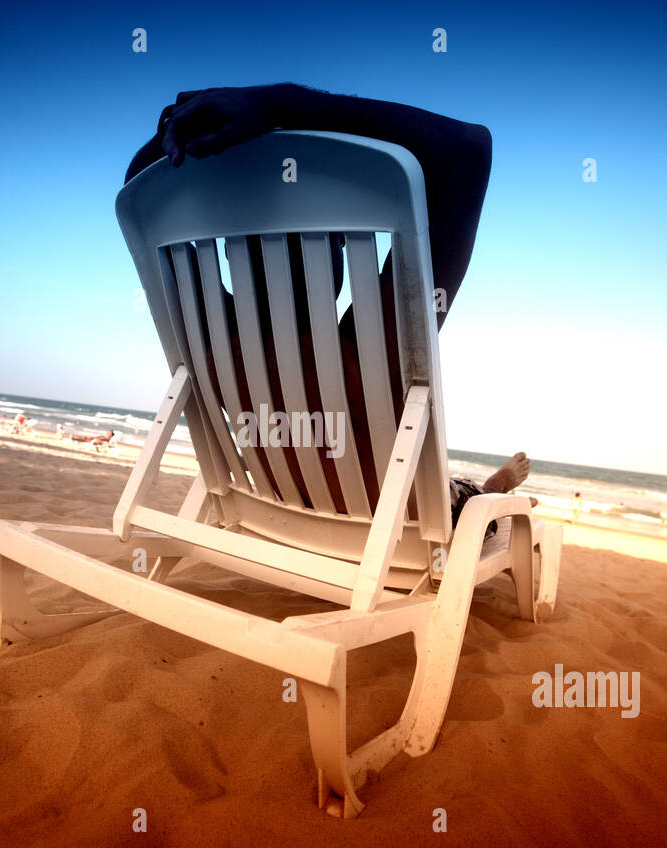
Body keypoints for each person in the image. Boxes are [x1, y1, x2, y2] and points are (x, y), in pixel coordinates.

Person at [124, 84, 533, 526]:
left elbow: (134, 187)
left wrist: (171, 128)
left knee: (453, 488)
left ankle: (487, 487)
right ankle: (492, 489)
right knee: (472, 503)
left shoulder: (211, 340)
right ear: (335, 259)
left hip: (283, 508)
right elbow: (467, 150)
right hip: (402, 529)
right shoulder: (367, 352)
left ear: (230, 257)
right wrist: (278, 104)